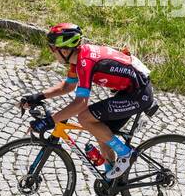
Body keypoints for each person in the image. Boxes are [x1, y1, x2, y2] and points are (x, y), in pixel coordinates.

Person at [19, 23, 154, 180]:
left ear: (64, 50)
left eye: (52, 49)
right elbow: (68, 86)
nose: (51, 53)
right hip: (128, 91)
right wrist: (38, 96)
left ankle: (126, 154)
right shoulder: (77, 59)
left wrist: (49, 121)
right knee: (100, 131)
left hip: (138, 94)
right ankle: (109, 181)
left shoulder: (85, 62)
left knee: (84, 117)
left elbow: (80, 104)